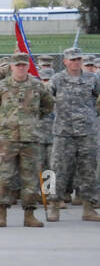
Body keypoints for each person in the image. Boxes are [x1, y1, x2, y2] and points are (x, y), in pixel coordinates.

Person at [0, 54, 55, 227]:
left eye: (24, 65)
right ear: (12, 67)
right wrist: (5, 121)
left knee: (30, 178)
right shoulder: (1, 86)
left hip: (30, 138)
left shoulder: (37, 86)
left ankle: (29, 214)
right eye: (18, 65)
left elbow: (48, 105)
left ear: (28, 67)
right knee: (3, 176)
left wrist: (33, 120)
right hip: (7, 139)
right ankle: (1, 213)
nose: (21, 68)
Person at [47, 46, 100, 221]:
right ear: (65, 61)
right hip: (63, 132)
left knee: (88, 170)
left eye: (78, 59)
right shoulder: (57, 79)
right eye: (72, 59)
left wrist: (93, 114)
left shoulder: (92, 78)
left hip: (87, 132)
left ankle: (89, 208)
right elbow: (46, 101)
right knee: (58, 170)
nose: (76, 62)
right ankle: (53, 206)